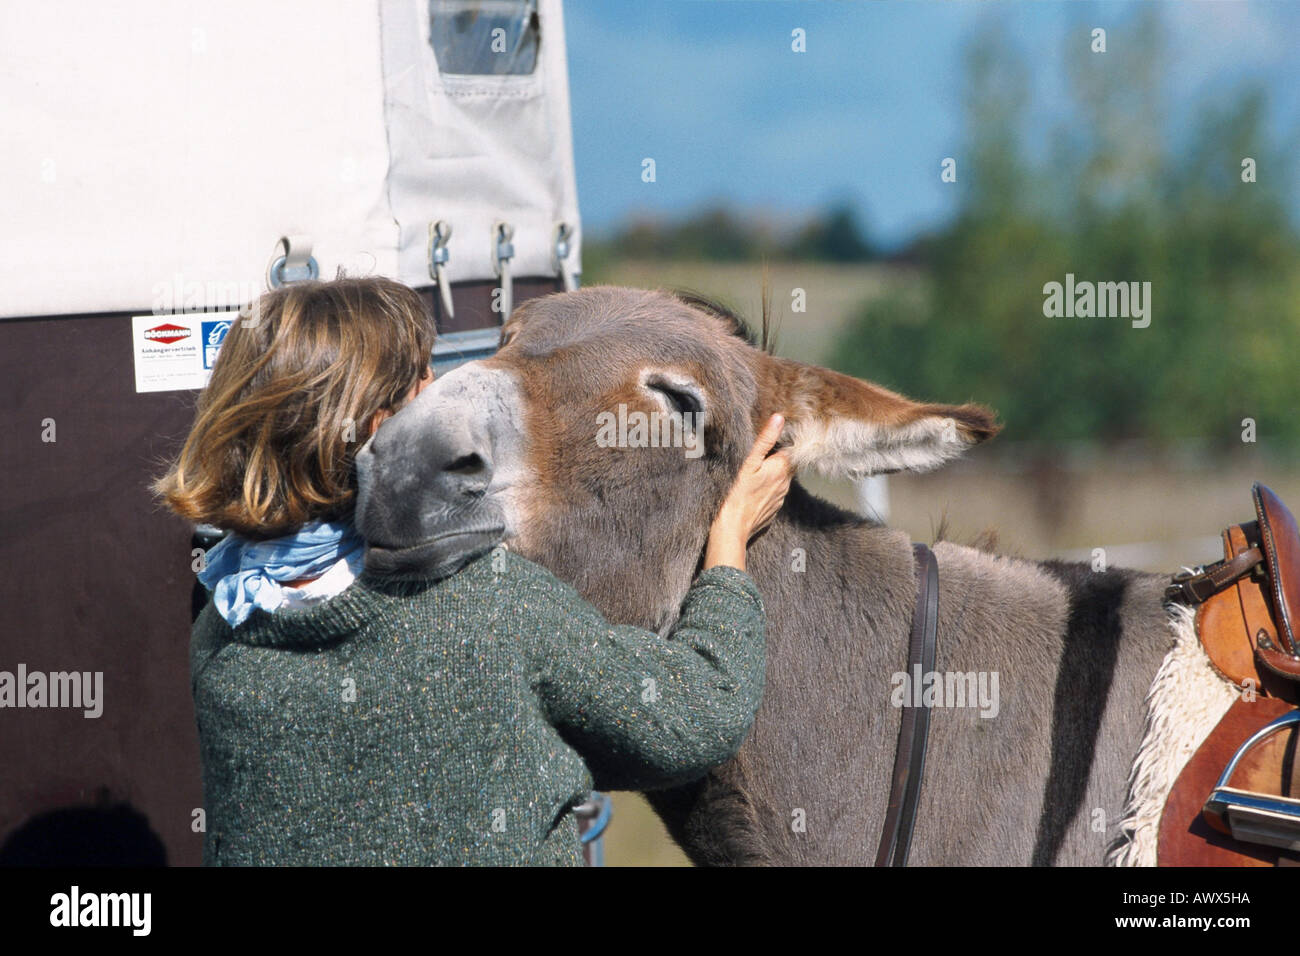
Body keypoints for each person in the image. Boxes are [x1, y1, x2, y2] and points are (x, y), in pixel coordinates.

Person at [155, 276, 792, 865]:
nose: (440, 397)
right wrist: (729, 539)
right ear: (382, 428)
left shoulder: (220, 633)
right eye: (420, 384)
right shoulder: (490, 605)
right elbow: (699, 718)